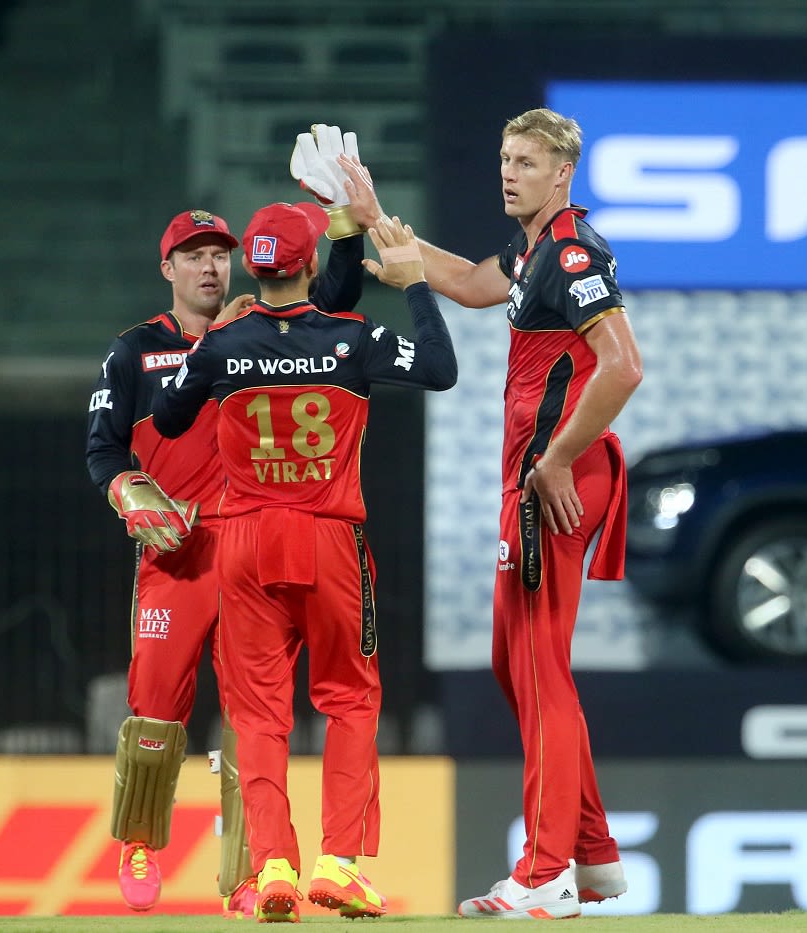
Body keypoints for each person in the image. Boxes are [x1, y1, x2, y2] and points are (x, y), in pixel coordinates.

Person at [353, 107, 644, 920]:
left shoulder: (575, 252)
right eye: (505, 158)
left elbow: (623, 369)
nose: (508, 172)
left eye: (525, 161)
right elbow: (475, 284)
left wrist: (552, 459)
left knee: (539, 664)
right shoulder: (532, 250)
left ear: (563, 173)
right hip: (538, 477)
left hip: (556, 478)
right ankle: (593, 852)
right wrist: (378, 221)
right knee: (517, 659)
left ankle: (546, 870)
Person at [85, 159, 381, 917]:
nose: (209, 265)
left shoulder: (256, 330)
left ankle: (254, 874)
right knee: (156, 700)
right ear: (168, 268)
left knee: (256, 711)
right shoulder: (133, 351)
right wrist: (132, 495)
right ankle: (141, 838)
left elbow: (340, 305)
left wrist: (343, 228)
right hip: (177, 547)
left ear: (238, 259)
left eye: (219, 252)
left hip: (251, 540)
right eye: (193, 255)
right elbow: (103, 449)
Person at [151, 205, 457, 923]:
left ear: (253, 268)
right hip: (328, 535)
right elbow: (440, 369)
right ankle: (339, 863)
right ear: (311, 266)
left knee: (256, 711)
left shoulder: (224, 342)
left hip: (247, 537)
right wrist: (414, 284)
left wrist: (219, 361)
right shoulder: (353, 340)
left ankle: (275, 868)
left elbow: (166, 420)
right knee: (349, 698)